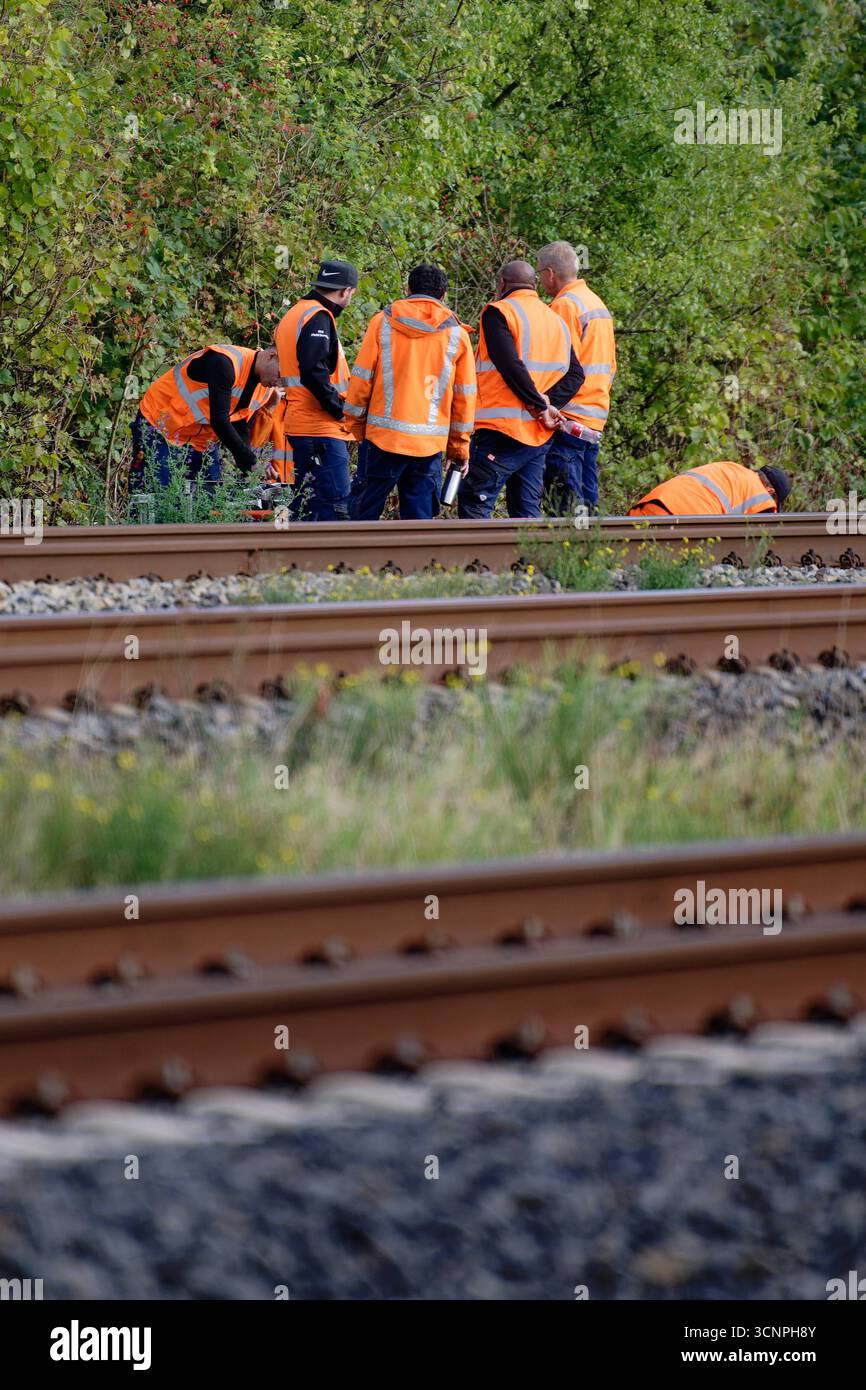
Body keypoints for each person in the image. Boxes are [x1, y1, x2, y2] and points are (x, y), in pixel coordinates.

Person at [344, 264, 476, 519]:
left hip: (381, 439)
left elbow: (361, 381)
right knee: (419, 525)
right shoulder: (457, 335)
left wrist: (358, 429)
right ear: (444, 296)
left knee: (361, 518)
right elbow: (464, 398)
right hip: (428, 446)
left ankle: (353, 559)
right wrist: (459, 448)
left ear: (408, 289)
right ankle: (416, 561)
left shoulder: (381, 323)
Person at [457, 260, 584, 519]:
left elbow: (510, 366)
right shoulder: (556, 320)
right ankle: (528, 561)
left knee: (475, 504)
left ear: (502, 283)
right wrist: (549, 404)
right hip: (538, 435)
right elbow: (576, 374)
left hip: (502, 429)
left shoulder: (499, 312)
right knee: (526, 514)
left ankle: (473, 560)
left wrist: (539, 406)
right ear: (533, 284)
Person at [275, 259, 358, 521]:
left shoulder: (296, 313)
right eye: (351, 295)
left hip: (303, 425)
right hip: (320, 429)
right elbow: (313, 371)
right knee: (332, 508)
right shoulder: (318, 316)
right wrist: (338, 410)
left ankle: (299, 561)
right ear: (345, 291)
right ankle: (328, 562)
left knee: (307, 506)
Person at [537, 241, 616, 515]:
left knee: (564, 508)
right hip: (592, 420)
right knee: (586, 509)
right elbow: (610, 367)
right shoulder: (596, 303)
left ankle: (565, 556)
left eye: (539, 274)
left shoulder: (564, 306)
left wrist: (548, 406)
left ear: (550, 273)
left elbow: (562, 367)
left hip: (567, 420)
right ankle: (590, 556)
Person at [131, 344, 281, 487]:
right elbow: (220, 421)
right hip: (158, 427)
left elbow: (240, 424)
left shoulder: (265, 387)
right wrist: (250, 460)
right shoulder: (224, 362)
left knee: (209, 501)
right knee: (155, 495)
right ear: (271, 355)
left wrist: (251, 466)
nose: (278, 383)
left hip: (200, 441)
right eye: (280, 375)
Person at [628, 461, 791, 516]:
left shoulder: (732, 468)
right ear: (770, 492)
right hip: (676, 521)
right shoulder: (761, 497)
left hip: (645, 509)